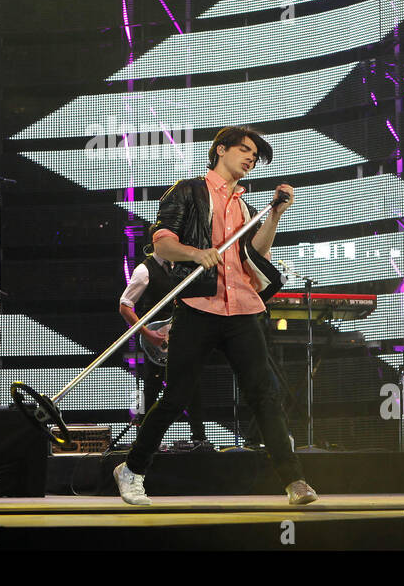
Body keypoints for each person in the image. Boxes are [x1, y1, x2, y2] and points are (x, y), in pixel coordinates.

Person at [113, 126, 317, 506]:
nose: (250, 158)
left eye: (255, 156)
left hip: (243, 309)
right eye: (245, 150)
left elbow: (256, 254)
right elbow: (162, 243)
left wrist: (274, 215)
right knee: (176, 397)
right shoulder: (188, 191)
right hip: (198, 307)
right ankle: (132, 469)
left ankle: (294, 481)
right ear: (220, 150)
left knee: (264, 394)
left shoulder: (245, 207)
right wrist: (195, 254)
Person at [119, 254, 210, 448]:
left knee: (192, 385)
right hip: (157, 341)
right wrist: (147, 333)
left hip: (181, 335)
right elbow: (125, 306)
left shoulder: (181, 265)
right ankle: (144, 441)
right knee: (152, 387)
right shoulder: (144, 270)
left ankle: (200, 439)